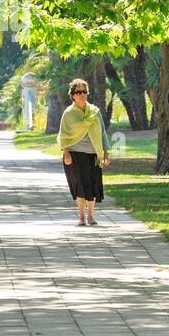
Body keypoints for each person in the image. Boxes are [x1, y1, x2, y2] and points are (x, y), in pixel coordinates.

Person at [58, 78, 111, 226]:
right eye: (78, 92)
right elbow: (63, 135)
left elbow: (102, 133)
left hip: (94, 153)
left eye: (84, 92)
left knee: (93, 184)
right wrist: (66, 153)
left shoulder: (95, 112)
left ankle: (91, 216)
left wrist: (106, 152)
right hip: (75, 154)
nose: (82, 94)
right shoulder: (68, 114)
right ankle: (81, 217)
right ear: (72, 94)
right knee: (80, 185)